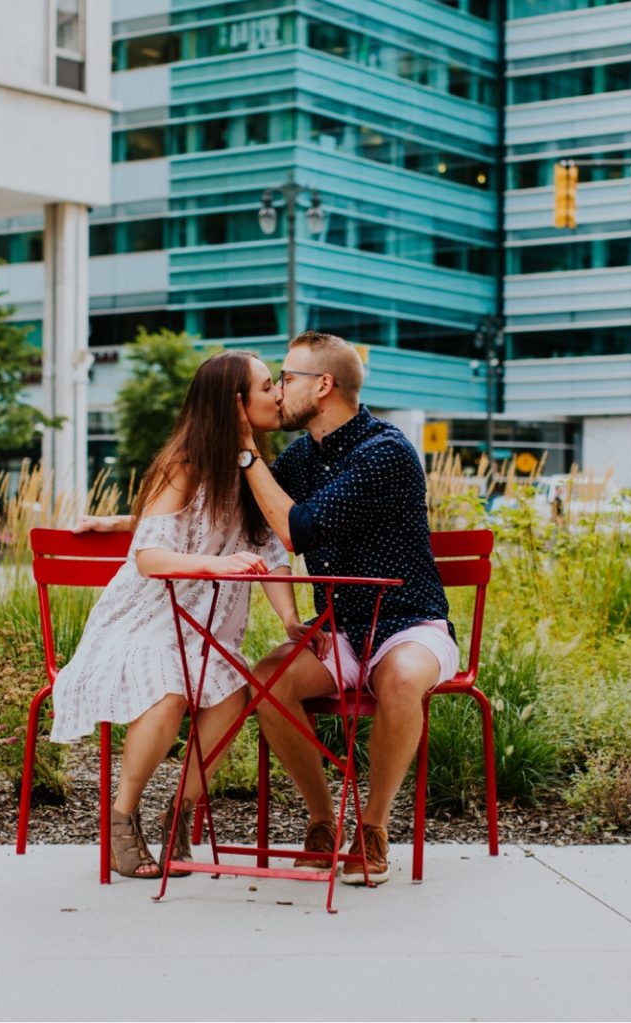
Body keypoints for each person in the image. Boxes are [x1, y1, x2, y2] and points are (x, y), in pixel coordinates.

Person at [56, 350, 299, 879]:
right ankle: (122, 819)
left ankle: (178, 813)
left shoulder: (252, 470)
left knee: (236, 693)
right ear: (235, 404)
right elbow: (150, 557)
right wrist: (217, 564)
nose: (279, 394)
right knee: (170, 687)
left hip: (203, 631)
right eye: (266, 386)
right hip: (144, 622)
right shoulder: (183, 463)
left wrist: (289, 620)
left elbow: (271, 553)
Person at [236, 330, 458, 885]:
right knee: (268, 679)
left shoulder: (385, 452)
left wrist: (245, 450)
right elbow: (234, 512)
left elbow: (297, 529)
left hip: (408, 625)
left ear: (324, 386)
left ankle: (373, 827)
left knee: (401, 679)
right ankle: (321, 821)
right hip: (338, 630)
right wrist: (132, 523)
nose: (278, 390)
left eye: (287, 378)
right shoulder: (302, 456)